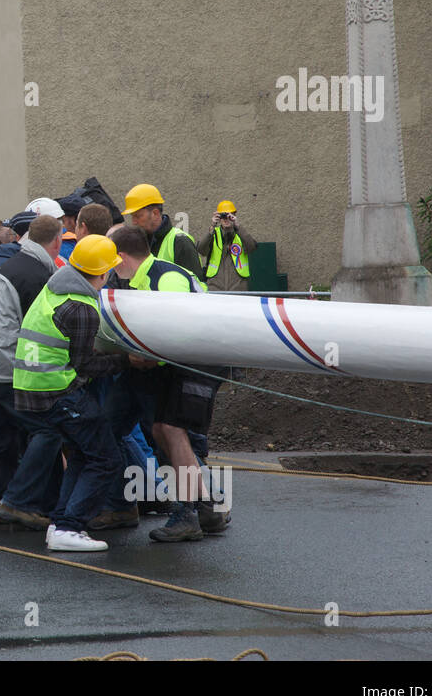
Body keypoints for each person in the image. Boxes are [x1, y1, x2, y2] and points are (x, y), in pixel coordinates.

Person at [109, 224, 226, 541]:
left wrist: (147, 359)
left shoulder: (166, 278)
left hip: (197, 362)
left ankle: (188, 514)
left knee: (171, 430)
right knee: (162, 429)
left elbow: (177, 332)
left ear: (120, 256)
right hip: (181, 362)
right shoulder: (142, 277)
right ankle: (206, 508)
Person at [13, 235, 128, 552]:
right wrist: (127, 361)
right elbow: (85, 364)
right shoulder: (81, 307)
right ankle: (69, 527)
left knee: (81, 453)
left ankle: (60, 523)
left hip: (31, 388)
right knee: (106, 459)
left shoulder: (56, 287)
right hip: (56, 392)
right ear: (103, 273)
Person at [0, 215, 62, 527]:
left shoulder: (13, 265)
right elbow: (45, 331)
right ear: (57, 241)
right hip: (5, 368)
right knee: (49, 428)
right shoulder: (36, 274)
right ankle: (20, 501)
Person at [121, 183, 205, 283]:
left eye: (138, 216)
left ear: (155, 213)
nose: (134, 221)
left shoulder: (180, 241)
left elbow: (196, 287)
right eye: (132, 216)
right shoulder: (137, 243)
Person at [198, 200, 257, 292]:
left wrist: (238, 226)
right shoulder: (214, 234)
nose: (226, 219)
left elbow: (251, 247)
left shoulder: (240, 234)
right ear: (218, 217)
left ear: (234, 215)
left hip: (238, 286)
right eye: (223, 216)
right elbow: (201, 250)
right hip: (216, 286)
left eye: (229, 216)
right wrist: (212, 227)